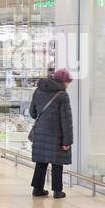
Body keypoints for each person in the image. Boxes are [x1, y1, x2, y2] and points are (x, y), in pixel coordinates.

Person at [28, 67, 74, 198]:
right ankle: (58, 191)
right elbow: (66, 121)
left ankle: (37, 189)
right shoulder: (62, 95)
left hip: (40, 132)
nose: (68, 85)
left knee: (41, 162)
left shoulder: (38, 91)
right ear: (63, 81)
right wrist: (67, 141)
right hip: (56, 133)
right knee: (57, 162)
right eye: (68, 82)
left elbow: (32, 113)